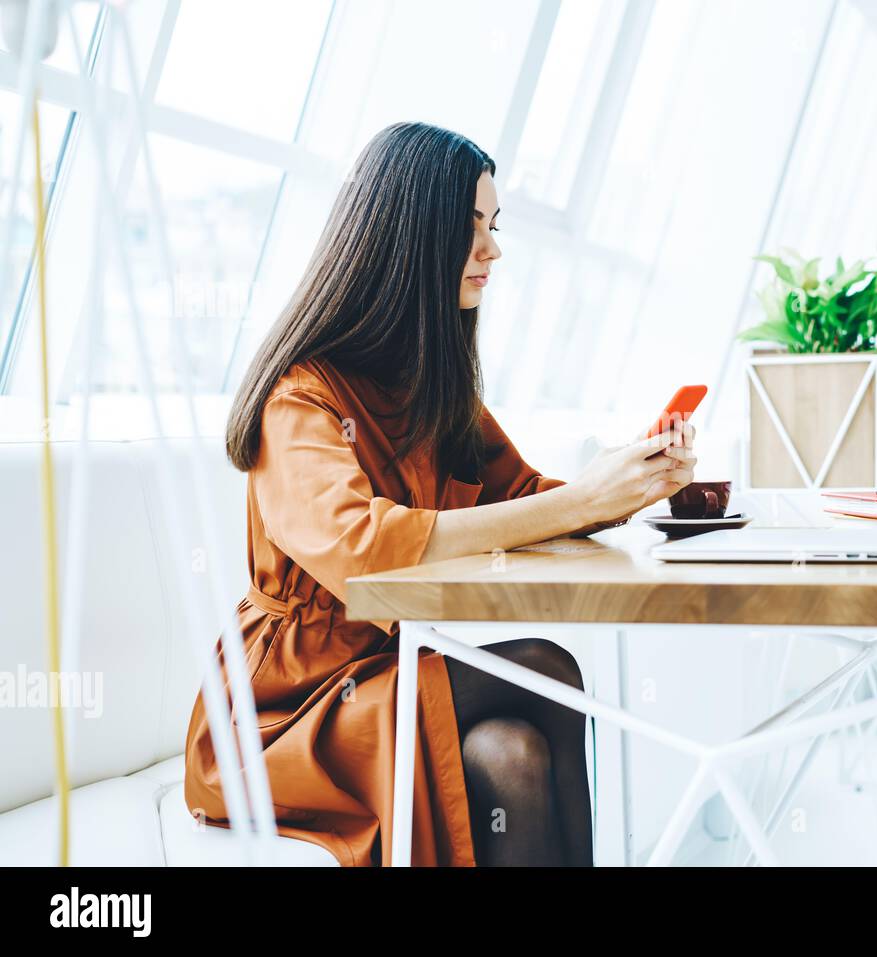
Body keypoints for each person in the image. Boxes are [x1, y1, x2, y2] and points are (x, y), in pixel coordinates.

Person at [184, 123, 697, 866]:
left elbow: (527, 496)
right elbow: (363, 551)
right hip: (284, 711)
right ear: (409, 239)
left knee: (511, 752)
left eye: (494, 227)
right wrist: (583, 500)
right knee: (550, 669)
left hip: (386, 672)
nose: (492, 251)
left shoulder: (430, 387)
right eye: (470, 229)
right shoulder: (300, 397)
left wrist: (635, 483)